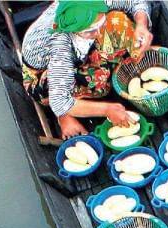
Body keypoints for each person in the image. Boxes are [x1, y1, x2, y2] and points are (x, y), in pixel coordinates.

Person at [21, 0, 154, 139]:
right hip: (46, 78)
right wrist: (107, 109)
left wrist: (141, 24)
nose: (99, 32)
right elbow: (60, 102)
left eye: (100, 23)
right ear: (74, 31)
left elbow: (136, 2)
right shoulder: (60, 45)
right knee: (97, 80)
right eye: (91, 31)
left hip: (75, 53)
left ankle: (140, 59)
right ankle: (65, 116)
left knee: (117, 21)